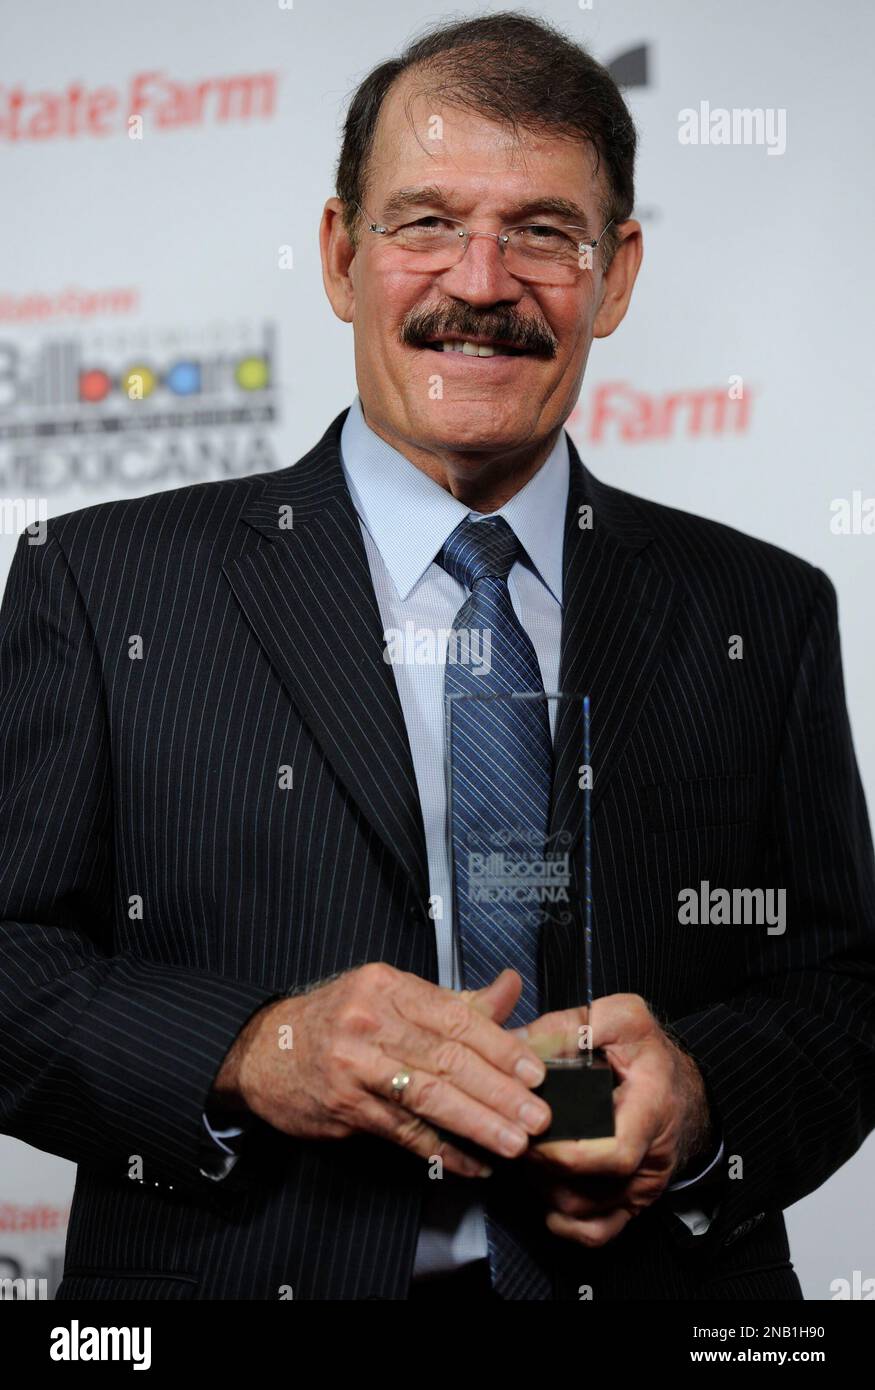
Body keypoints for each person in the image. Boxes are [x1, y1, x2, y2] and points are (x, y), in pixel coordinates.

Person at [1, 13, 873, 1301]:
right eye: (425, 224)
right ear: (342, 254)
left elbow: (841, 991)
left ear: (617, 274)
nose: (480, 280)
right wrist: (253, 1048)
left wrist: (699, 1102)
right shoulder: (105, 582)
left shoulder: (765, 609)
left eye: (541, 233)